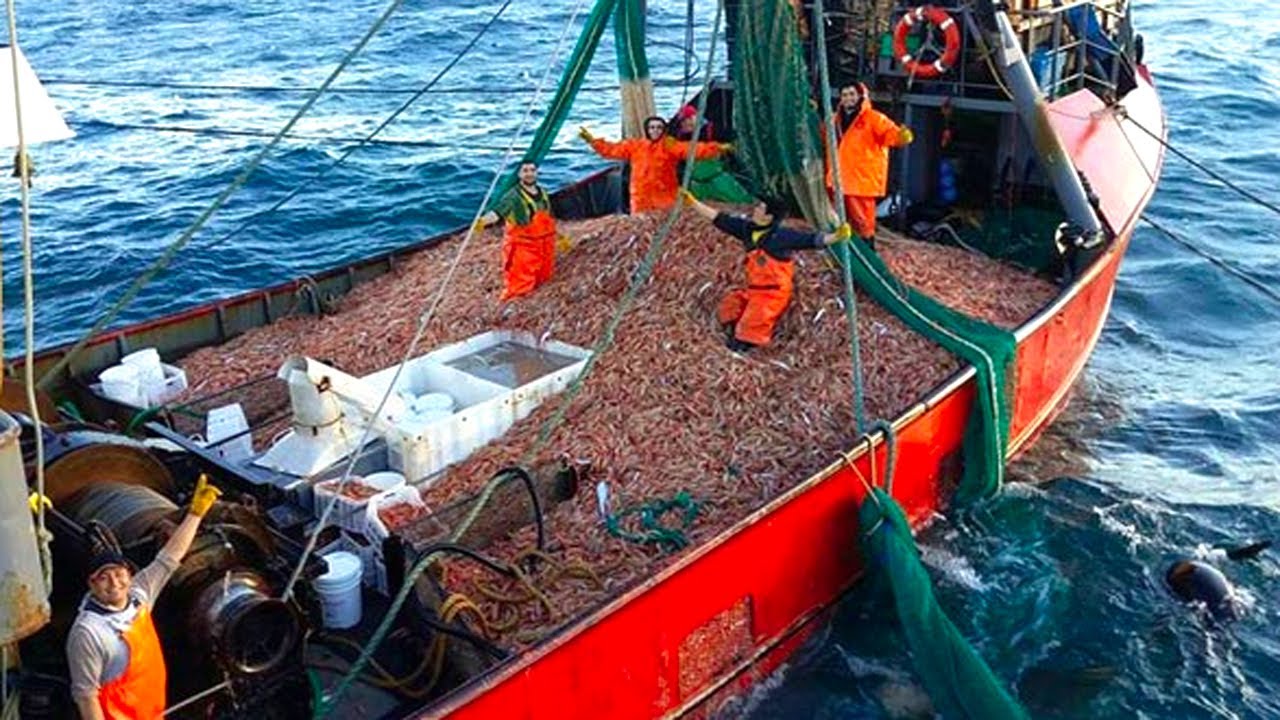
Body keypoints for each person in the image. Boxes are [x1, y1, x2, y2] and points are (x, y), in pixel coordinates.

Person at [66, 475, 221, 720]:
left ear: (129, 574)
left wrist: (195, 514)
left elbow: (169, 558)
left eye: (118, 574)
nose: (114, 583)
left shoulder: (139, 596)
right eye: (104, 578)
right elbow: (86, 695)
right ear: (91, 585)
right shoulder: (87, 632)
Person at [681, 189, 851, 351]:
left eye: (760, 208)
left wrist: (836, 236)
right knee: (730, 305)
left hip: (773, 293)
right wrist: (694, 203)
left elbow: (811, 240)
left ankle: (744, 345)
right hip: (754, 288)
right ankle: (733, 329)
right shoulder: (748, 229)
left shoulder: (782, 236)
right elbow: (720, 219)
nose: (754, 210)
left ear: (769, 217)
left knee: (753, 323)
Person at [580, 116, 731, 213]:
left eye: (659, 127)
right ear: (647, 129)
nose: (655, 130)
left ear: (663, 130)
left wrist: (717, 148)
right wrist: (593, 141)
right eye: (652, 127)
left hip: (665, 197)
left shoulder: (669, 145)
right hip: (640, 199)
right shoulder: (635, 145)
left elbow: (693, 149)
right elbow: (611, 150)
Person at [828, 82, 913, 249]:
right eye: (845, 95)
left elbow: (890, 134)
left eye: (852, 94)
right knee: (837, 220)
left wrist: (901, 136)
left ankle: (868, 252)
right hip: (838, 179)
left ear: (861, 96)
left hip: (861, 181)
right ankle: (842, 253)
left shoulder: (874, 118)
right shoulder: (834, 118)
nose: (848, 98)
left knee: (863, 222)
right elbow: (823, 134)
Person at [474, 161, 566, 301]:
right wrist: (482, 222)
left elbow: (549, 218)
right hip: (523, 247)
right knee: (520, 288)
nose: (529, 174)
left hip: (545, 245)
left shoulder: (543, 192)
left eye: (532, 170)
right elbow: (498, 213)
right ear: (519, 174)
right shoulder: (513, 196)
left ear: (536, 173)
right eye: (525, 171)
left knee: (544, 280)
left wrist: (559, 238)